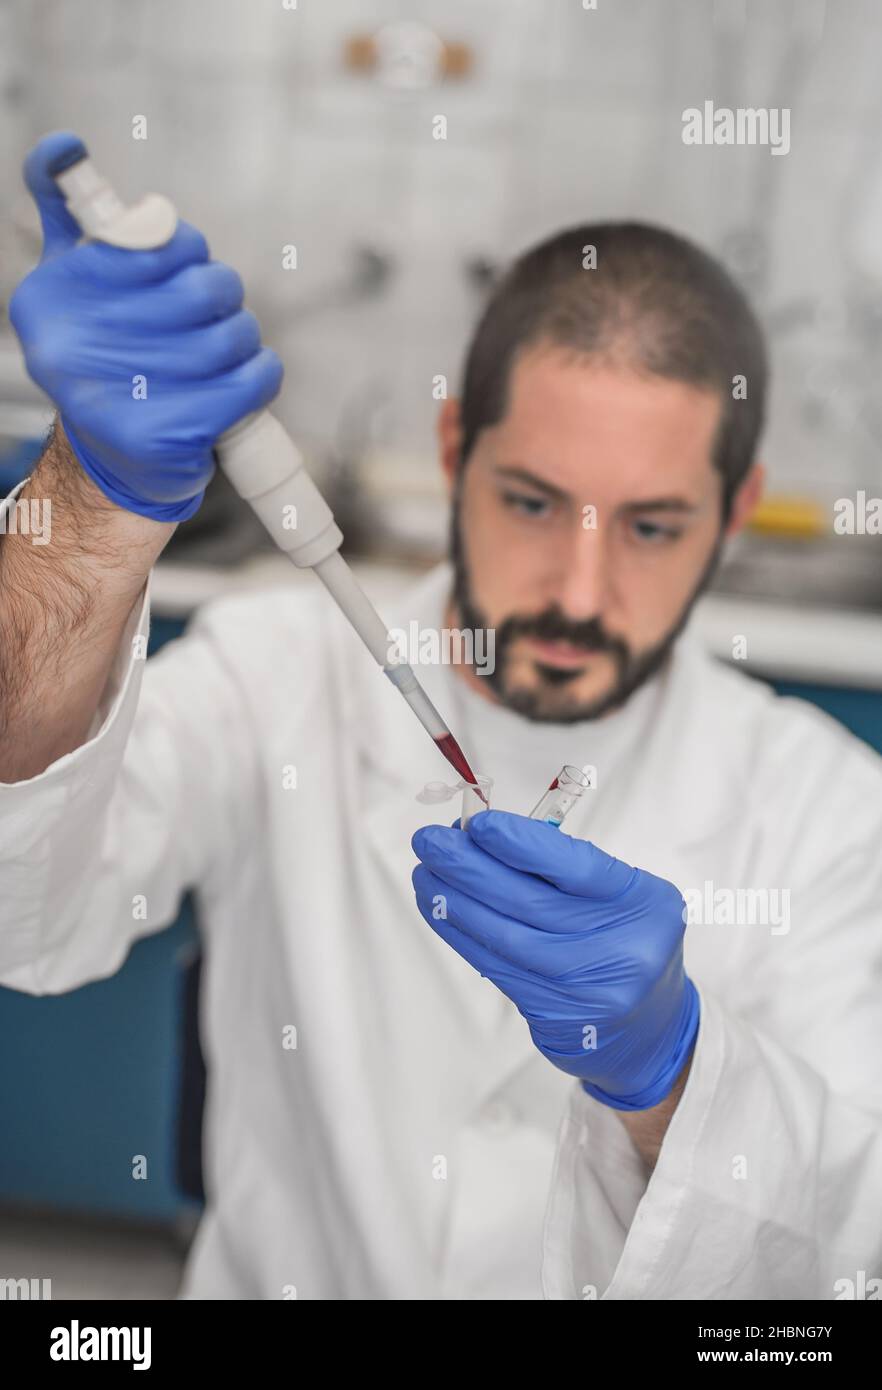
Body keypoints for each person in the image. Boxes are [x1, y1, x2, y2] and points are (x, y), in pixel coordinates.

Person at [1, 131, 879, 1300]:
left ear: (737, 512)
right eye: (531, 499)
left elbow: (845, 1256)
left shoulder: (827, 806)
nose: (578, 590)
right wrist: (88, 504)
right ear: (456, 449)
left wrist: (672, 1072)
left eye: (652, 525)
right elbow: (24, 903)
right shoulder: (278, 670)